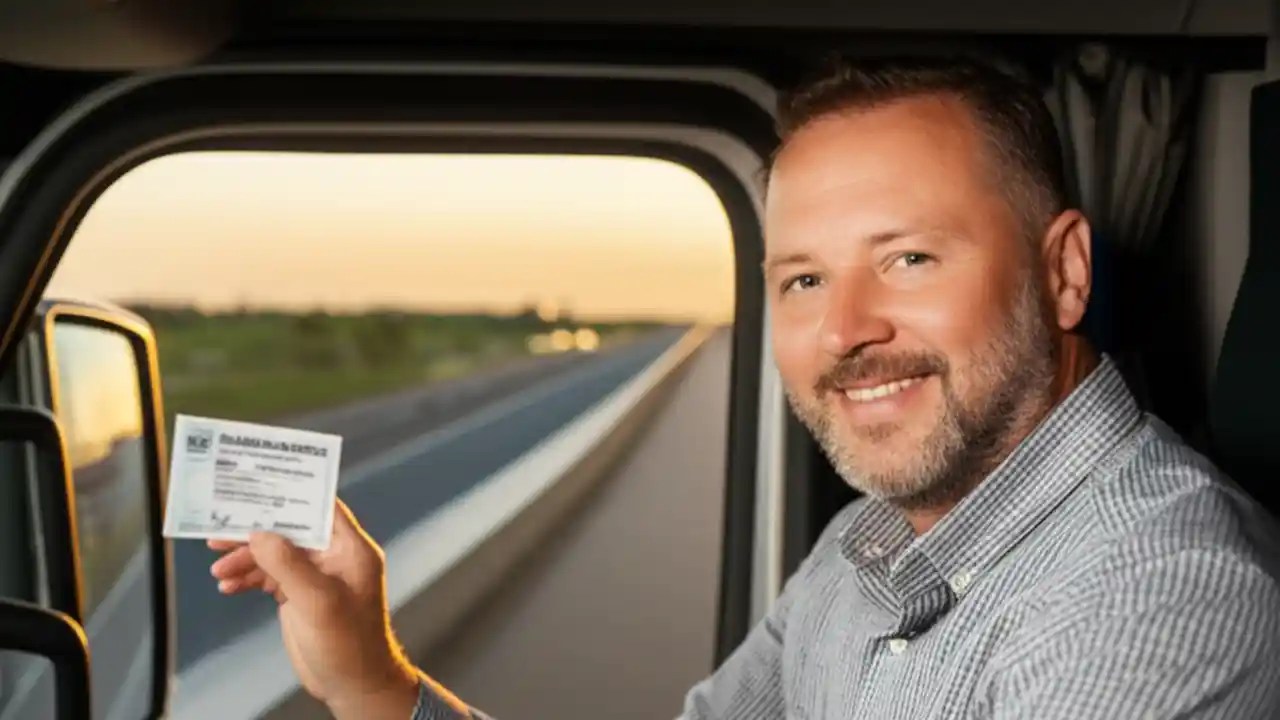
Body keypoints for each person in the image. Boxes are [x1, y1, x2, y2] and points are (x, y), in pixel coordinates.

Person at [208, 56, 1280, 719]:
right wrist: (368, 678)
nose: (846, 330)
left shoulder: (1154, 592)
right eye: (804, 279)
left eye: (907, 259)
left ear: (1061, 274)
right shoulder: (867, 547)